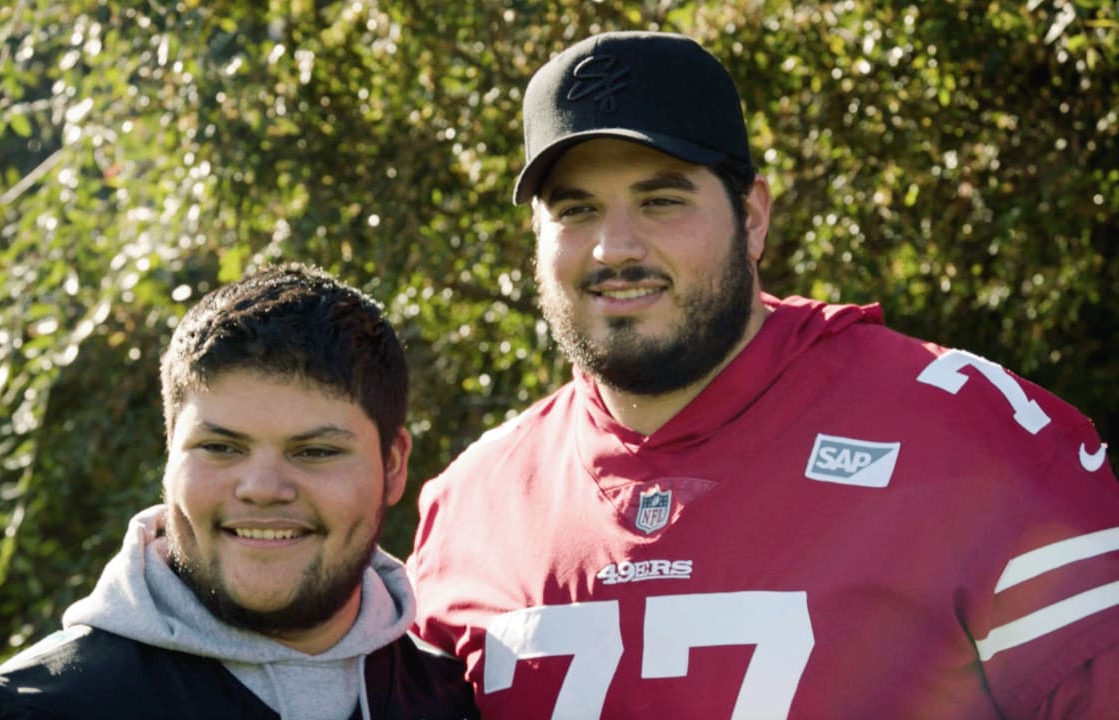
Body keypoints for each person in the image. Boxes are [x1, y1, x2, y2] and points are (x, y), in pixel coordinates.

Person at [407, 30, 1119, 719]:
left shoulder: (974, 435)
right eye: (576, 209)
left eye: (662, 200)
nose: (614, 248)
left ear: (751, 216)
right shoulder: (471, 506)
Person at [0, 263, 477, 719]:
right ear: (169, 457)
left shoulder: (459, 701)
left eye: (314, 452)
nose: (263, 489)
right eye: (220, 447)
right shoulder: (36, 711)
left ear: (394, 465)